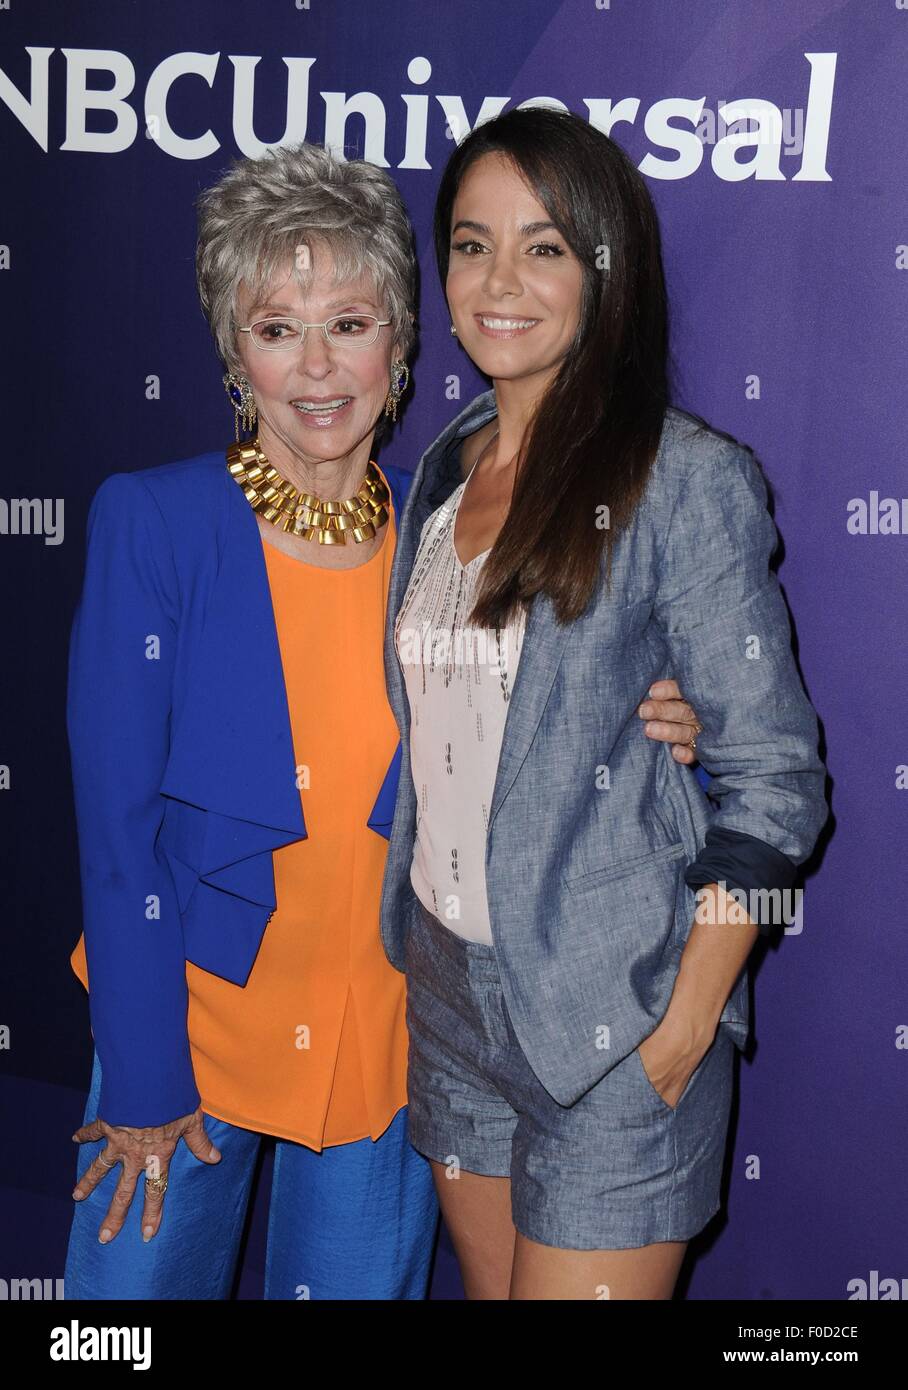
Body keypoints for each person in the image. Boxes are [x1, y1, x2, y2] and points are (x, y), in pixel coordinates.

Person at [63, 138, 702, 1300]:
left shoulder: (450, 529)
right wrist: (144, 1079)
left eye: (349, 324)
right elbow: (117, 836)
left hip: (394, 1043)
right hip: (190, 1031)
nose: (316, 366)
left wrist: (661, 717)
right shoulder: (154, 523)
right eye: (276, 327)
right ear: (235, 353)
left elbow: (549, 722)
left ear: (399, 347)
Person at [380, 107, 829, 1300]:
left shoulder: (682, 479)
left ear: (604, 269)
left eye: (543, 247)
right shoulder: (445, 468)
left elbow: (778, 786)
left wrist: (684, 1026)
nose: (498, 283)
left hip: (614, 1013)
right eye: (470, 245)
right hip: (448, 996)